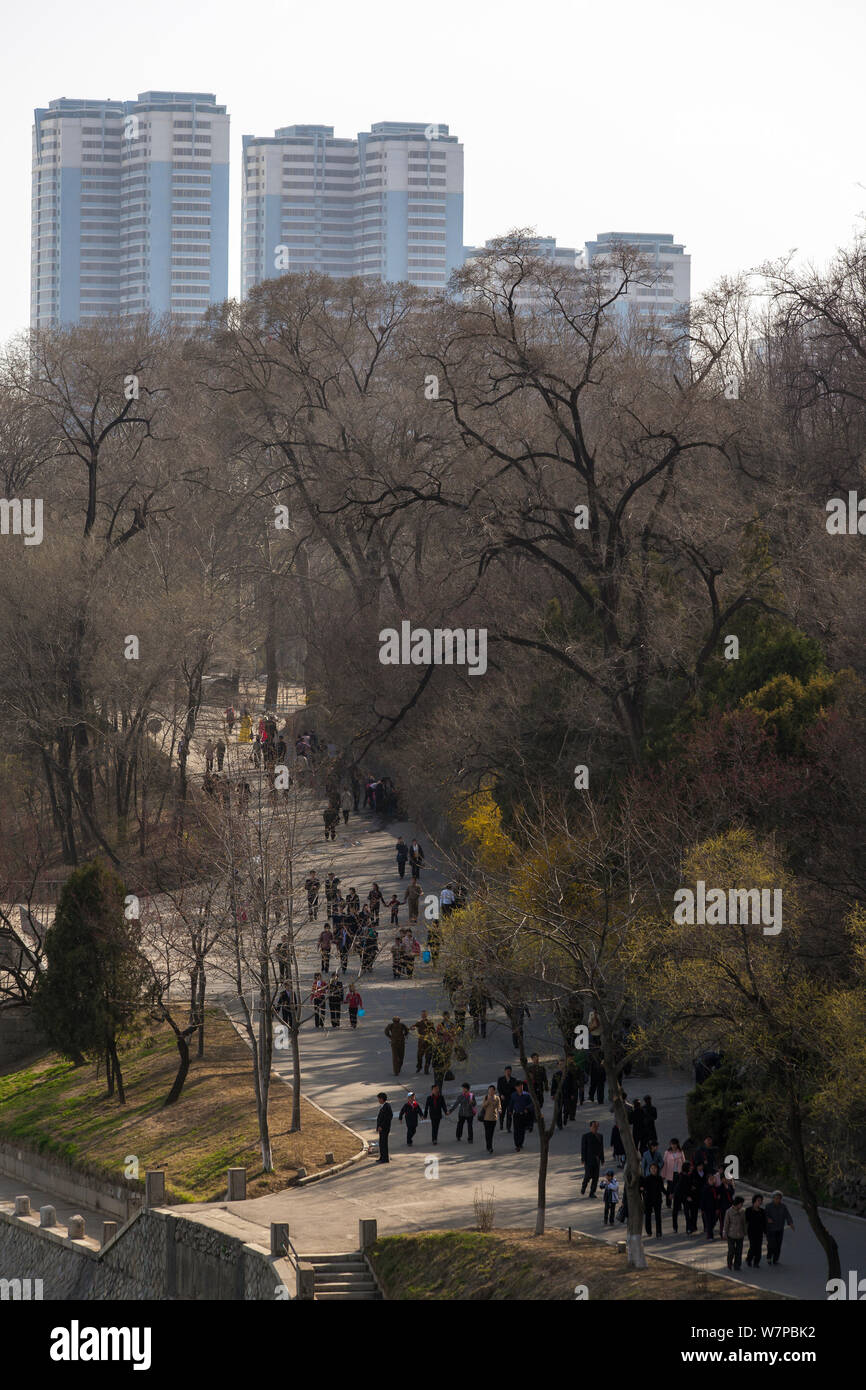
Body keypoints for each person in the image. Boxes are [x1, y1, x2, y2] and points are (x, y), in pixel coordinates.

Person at [764, 1191, 795, 1265]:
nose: (777, 1200)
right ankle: (769, 1257)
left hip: (780, 1229)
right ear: (773, 1198)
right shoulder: (768, 1206)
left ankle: (775, 1259)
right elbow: (765, 1215)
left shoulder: (783, 1206)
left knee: (778, 1244)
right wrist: (768, 1219)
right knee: (772, 1244)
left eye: (779, 1198)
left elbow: (787, 1215)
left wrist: (790, 1223)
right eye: (776, 1198)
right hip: (771, 1229)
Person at [581, 1120, 605, 1196]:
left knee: (596, 1177)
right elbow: (583, 1148)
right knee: (588, 1175)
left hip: (597, 1159)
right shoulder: (586, 1136)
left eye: (597, 1126)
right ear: (590, 1127)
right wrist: (583, 1159)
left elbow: (601, 1148)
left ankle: (592, 1192)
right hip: (588, 1160)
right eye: (594, 1126)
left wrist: (602, 1159)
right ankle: (584, 1187)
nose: (596, 1128)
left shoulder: (600, 1136)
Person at [641, 1162, 664, 1238]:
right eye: (652, 1168)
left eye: (655, 1168)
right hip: (648, 1200)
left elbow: (662, 1189)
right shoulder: (647, 1178)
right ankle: (649, 1231)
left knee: (658, 1217)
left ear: (657, 1169)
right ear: (649, 1170)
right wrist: (642, 1189)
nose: (653, 1170)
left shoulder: (659, 1178)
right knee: (648, 1216)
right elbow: (642, 1188)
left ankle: (659, 1232)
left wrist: (669, 1194)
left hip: (657, 1199)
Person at [724, 1195, 747, 1270]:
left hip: (740, 1235)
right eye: (741, 1204)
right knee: (731, 1250)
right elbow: (726, 1223)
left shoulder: (743, 1211)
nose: (742, 1205)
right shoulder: (729, 1211)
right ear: (737, 1203)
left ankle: (737, 1265)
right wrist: (725, 1233)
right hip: (731, 1235)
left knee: (739, 1251)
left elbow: (744, 1222)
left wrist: (745, 1231)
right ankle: (729, 1263)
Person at [745, 1194, 767, 1268]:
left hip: (759, 1231)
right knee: (753, 1246)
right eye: (758, 1200)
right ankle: (749, 1259)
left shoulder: (762, 1211)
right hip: (751, 1231)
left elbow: (764, 1222)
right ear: (754, 1201)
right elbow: (746, 1221)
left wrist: (765, 1231)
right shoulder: (748, 1210)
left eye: (761, 1201)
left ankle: (756, 1262)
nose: (760, 1202)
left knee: (758, 1247)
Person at [511, 1080, 534, 1151]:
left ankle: (520, 1143)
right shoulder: (513, 1095)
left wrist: (527, 1108)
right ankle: (517, 1144)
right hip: (516, 1114)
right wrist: (510, 1111)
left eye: (521, 1086)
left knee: (522, 1130)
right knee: (516, 1130)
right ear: (516, 1087)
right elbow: (511, 1104)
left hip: (524, 1115)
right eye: (518, 1086)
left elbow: (532, 1104)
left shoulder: (527, 1095)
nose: (520, 1087)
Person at [661, 1138, 684, 1206]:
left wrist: (684, 1173)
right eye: (672, 1144)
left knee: (678, 1189)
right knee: (670, 1189)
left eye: (675, 1144)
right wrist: (663, 1175)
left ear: (677, 1144)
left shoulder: (680, 1152)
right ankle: (668, 1203)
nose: (673, 1145)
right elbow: (664, 1164)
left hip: (679, 1173)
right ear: (670, 1145)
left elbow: (684, 1162)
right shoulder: (667, 1152)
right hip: (670, 1173)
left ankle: (678, 1204)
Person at [479, 1085, 501, 1152]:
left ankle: (489, 1146)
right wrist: (488, 1100)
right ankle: (489, 1147)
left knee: (491, 1133)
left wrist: (499, 1110)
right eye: (489, 1090)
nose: (490, 1091)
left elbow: (499, 1105)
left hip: (494, 1118)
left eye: (492, 1090)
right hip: (486, 1118)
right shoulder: (486, 1097)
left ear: (494, 1091)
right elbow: (483, 1105)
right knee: (487, 1133)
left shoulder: (497, 1098)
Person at [497, 1066, 517, 1132]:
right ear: (505, 1071)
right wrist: (501, 1094)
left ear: (511, 1072)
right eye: (507, 1071)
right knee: (502, 1113)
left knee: (509, 1113)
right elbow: (499, 1088)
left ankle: (508, 1127)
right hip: (503, 1098)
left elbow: (515, 1090)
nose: (508, 1072)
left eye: (509, 1071)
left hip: (510, 1099)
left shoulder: (514, 1080)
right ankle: (501, 1124)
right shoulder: (500, 1079)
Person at [376, 1093, 392, 1164]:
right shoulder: (383, 1106)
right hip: (381, 1128)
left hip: (384, 1129)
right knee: (381, 1143)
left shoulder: (387, 1106)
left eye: (379, 1099)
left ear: (382, 1099)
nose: (378, 1100)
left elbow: (388, 1118)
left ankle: (385, 1158)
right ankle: (382, 1157)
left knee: (384, 1143)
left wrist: (381, 1126)